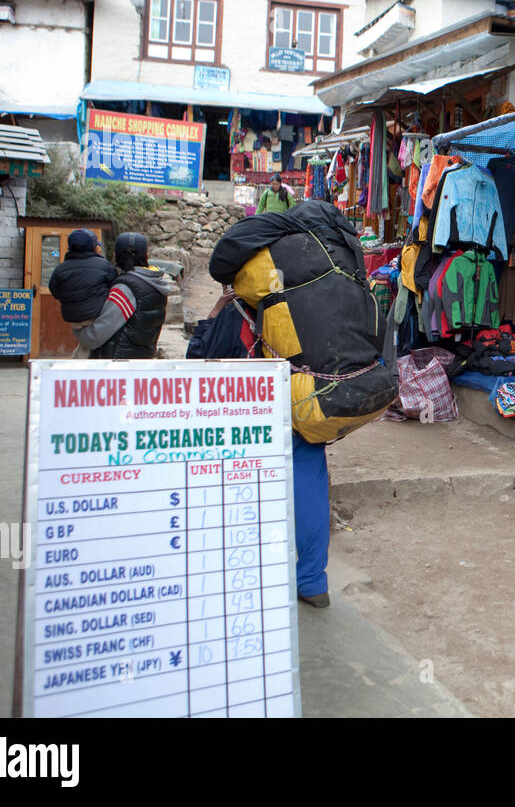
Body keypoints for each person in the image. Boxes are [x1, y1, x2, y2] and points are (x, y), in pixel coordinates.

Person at [187, 286, 332, 608]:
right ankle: (312, 582)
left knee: (245, 495)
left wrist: (218, 307)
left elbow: (198, 359)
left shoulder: (237, 310)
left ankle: (248, 577)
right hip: (305, 410)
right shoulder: (313, 303)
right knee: (310, 491)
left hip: (253, 418)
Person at [71, 232, 177, 359]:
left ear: (115, 256)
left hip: (116, 366)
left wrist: (79, 331)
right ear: (146, 256)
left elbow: (95, 337)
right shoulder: (156, 284)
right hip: (140, 362)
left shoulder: (125, 289)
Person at [48, 228, 117, 358]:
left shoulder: (60, 269)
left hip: (73, 317)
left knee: (85, 345)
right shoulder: (104, 266)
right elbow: (115, 288)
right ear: (92, 246)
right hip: (97, 315)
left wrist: (70, 299)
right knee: (91, 348)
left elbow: (54, 290)